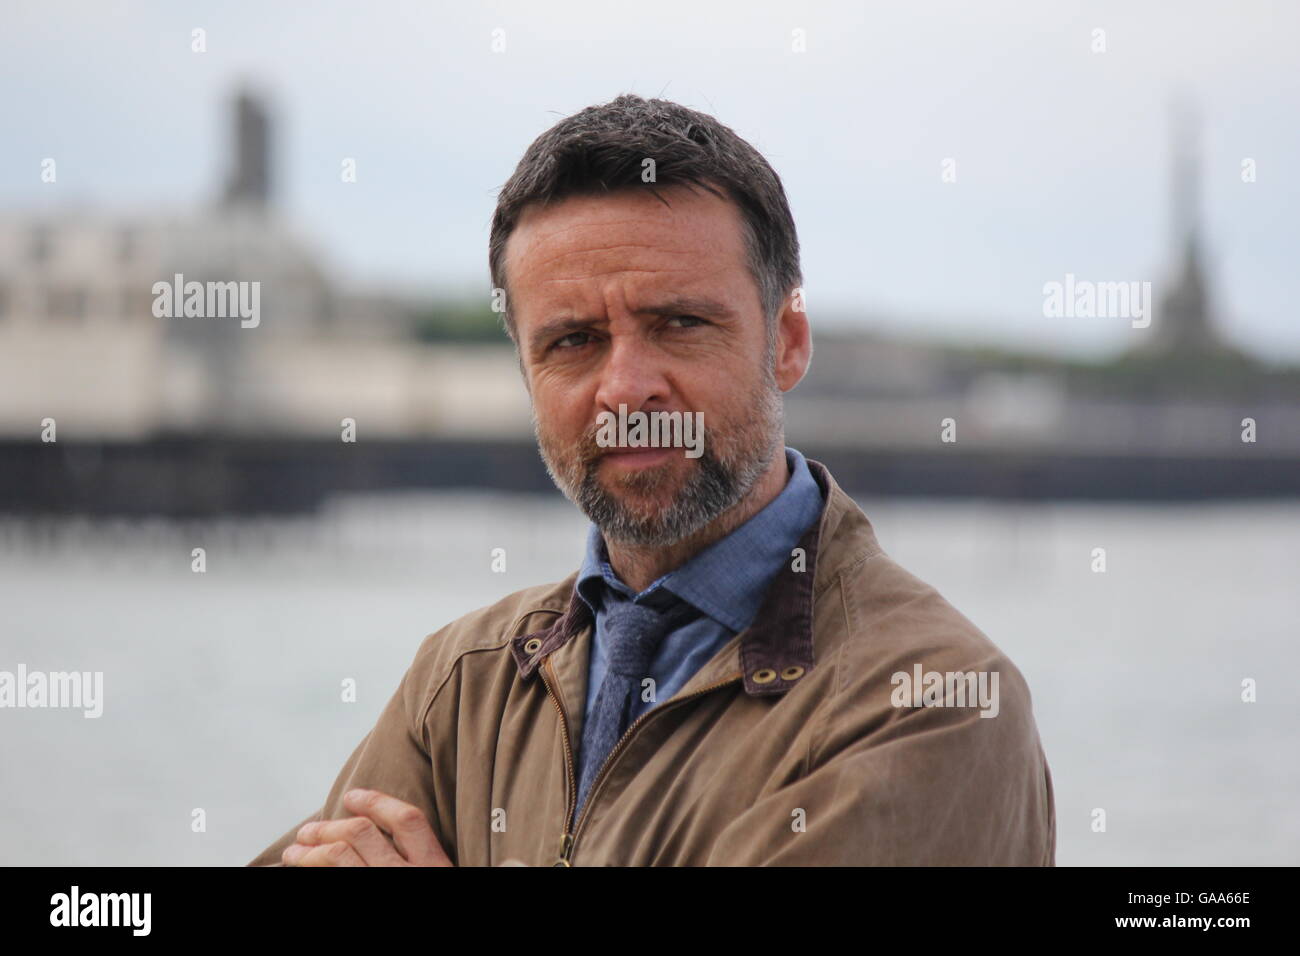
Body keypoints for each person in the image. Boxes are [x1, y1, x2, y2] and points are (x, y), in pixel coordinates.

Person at [248, 93, 1055, 867]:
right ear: (527, 374)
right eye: (572, 341)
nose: (626, 388)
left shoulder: (928, 700)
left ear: (788, 342)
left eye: (678, 323)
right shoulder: (465, 682)